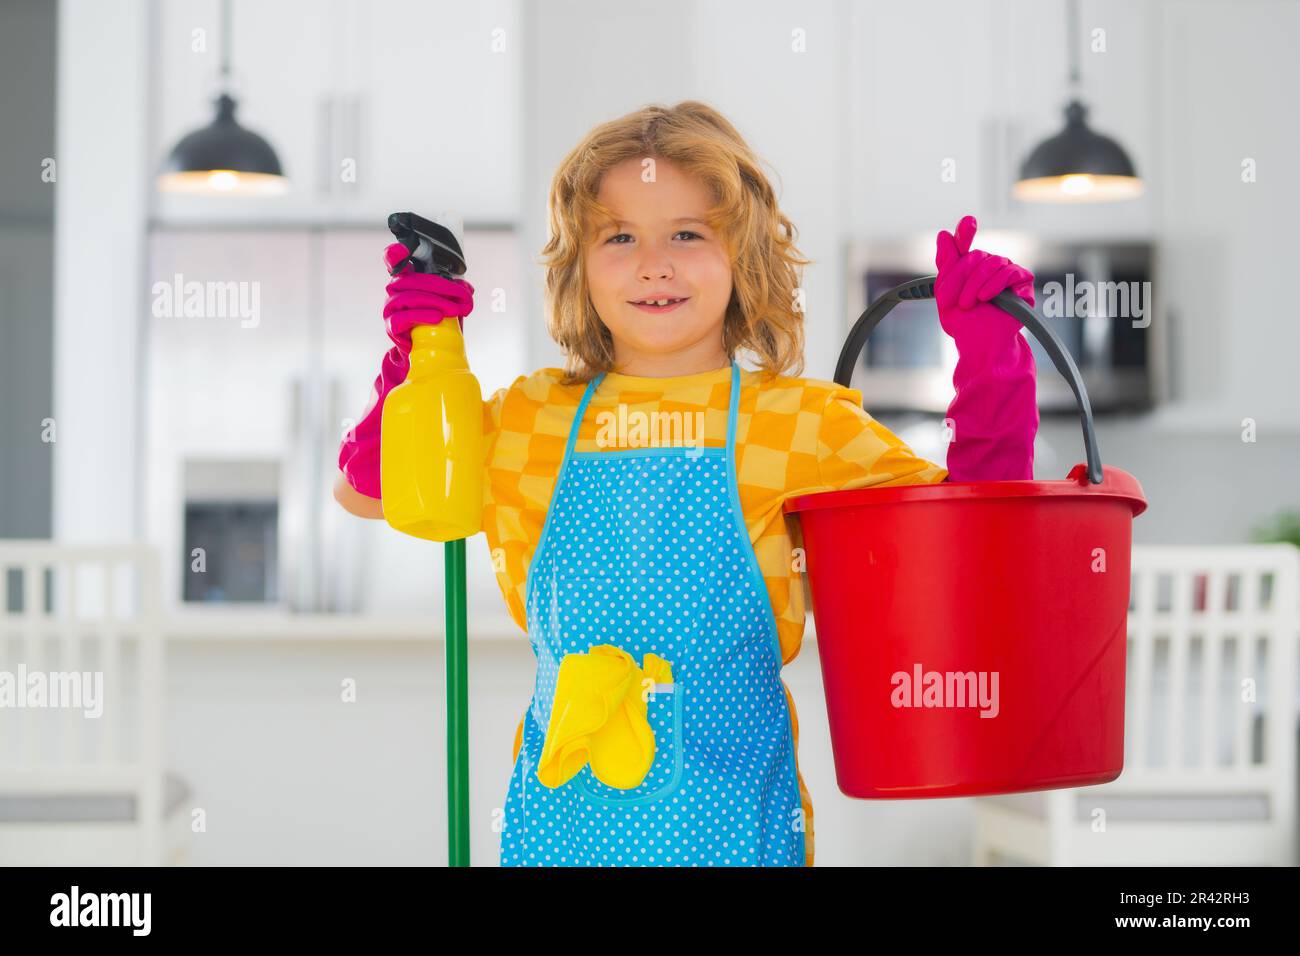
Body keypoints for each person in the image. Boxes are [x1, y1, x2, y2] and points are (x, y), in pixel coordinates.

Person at [335, 101, 1038, 866]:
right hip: (559, 838)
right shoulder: (529, 419)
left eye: (687, 234)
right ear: (580, 264)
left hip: (736, 835)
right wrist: (417, 359)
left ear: (743, 256)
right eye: (620, 236)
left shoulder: (800, 425)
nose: (654, 262)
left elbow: (976, 536)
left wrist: (994, 353)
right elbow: (370, 490)